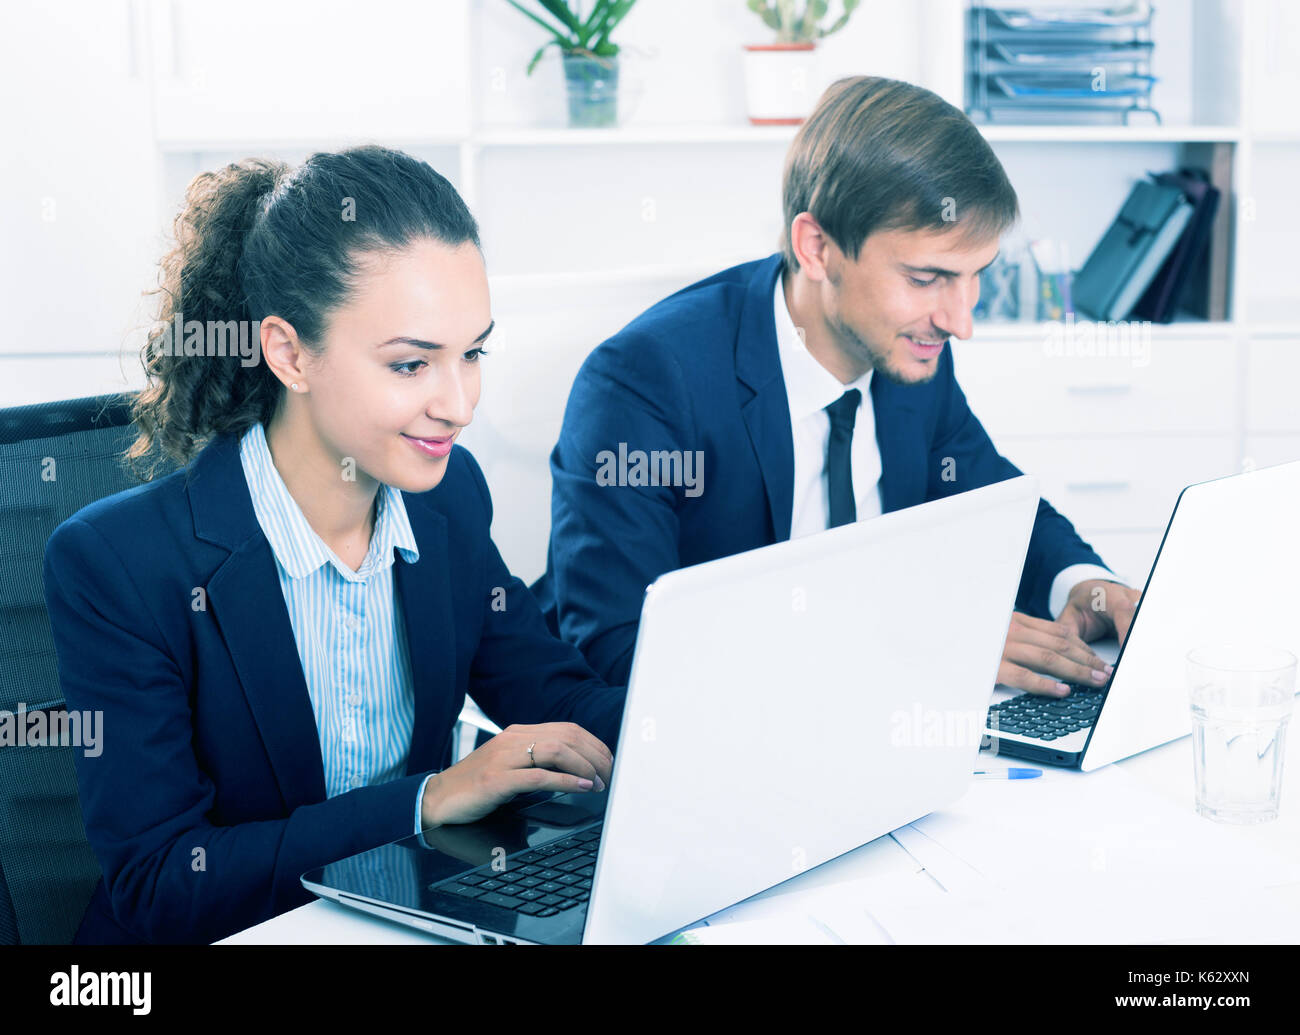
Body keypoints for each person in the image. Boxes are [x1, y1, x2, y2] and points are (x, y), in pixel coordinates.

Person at [42, 146, 622, 945]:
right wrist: (427, 799)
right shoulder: (121, 565)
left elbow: (555, 694)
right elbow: (161, 882)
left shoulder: (449, 499)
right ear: (290, 353)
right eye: (412, 363)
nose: (458, 405)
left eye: (473, 353)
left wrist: (689, 732)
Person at [532, 75, 1142, 693]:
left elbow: (991, 495)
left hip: (874, 724)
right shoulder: (645, 383)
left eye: (974, 275)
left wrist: (1083, 583)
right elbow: (624, 649)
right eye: (928, 277)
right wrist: (928, 642)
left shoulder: (912, 347)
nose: (961, 321)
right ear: (818, 248)